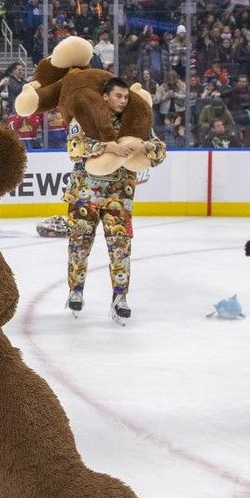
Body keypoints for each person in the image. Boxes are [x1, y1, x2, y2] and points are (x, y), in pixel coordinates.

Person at [65, 77, 166, 325]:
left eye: (126, 97)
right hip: (84, 196)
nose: (122, 101)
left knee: (120, 248)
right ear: (105, 96)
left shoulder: (136, 122)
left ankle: (120, 297)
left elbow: (159, 150)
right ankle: (76, 289)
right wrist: (107, 147)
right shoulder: (85, 117)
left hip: (119, 198)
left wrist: (148, 149)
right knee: (79, 245)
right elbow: (74, 147)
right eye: (118, 96)